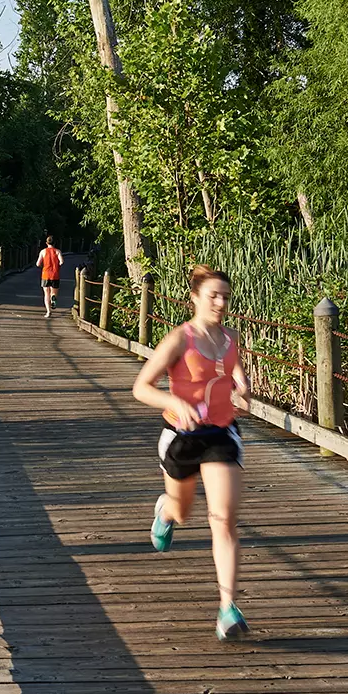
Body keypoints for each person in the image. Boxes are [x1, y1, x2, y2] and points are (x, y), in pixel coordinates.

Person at [131, 264, 252, 640]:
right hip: (181, 436)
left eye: (225, 297)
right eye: (213, 296)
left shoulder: (231, 338)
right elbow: (141, 387)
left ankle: (227, 609)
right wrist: (174, 402)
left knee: (223, 518)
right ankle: (165, 512)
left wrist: (242, 394)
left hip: (219, 434)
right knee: (182, 511)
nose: (220, 303)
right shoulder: (179, 339)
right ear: (195, 298)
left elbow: (239, 378)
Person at [34, 237, 64, 317]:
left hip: (45, 275)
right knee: (53, 292)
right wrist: (57, 265)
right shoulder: (57, 251)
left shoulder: (43, 251)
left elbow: (37, 264)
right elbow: (61, 262)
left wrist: (42, 266)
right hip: (55, 275)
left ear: (46, 243)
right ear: (54, 243)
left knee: (46, 293)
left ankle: (48, 311)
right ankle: (53, 299)